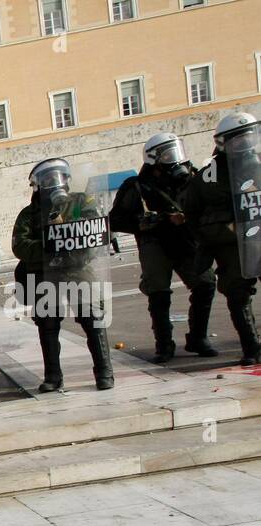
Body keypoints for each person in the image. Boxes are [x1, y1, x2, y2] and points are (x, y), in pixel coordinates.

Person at [110, 132, 218, 363]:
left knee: (206, 284)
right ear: (153, 159)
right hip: (155, 245)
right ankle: (164, 345)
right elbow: (116, 219)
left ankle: (198, 337)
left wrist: (188, 218)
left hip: (187, 243)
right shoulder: (137, 186)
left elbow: (209, 204)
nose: (174, 158)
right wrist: (146, 221)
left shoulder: (192, 177)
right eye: (167, 154)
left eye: (174, 152)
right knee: (159, 295)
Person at [13, 157, 114, 391]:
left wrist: (67, 231)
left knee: (93, 320)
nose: (53, 183)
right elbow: (20, 246)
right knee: (47, 326)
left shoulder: (81, 201)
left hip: (77, 268)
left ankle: (104, 372)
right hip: (44, 274)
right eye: (47, 179)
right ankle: (53, 377)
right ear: (38, 185)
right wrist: (51, 243)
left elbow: (96, 230)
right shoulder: (29, 214)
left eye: (57, 177)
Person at [183, 112, 261, 366]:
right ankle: (251, 347)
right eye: (238, 139)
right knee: (237, 294)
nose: (245, 143)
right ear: (224, 143)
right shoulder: (208, 176)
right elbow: (192, 212)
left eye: (248, 136)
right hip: (232, 244)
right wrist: (214, 234)